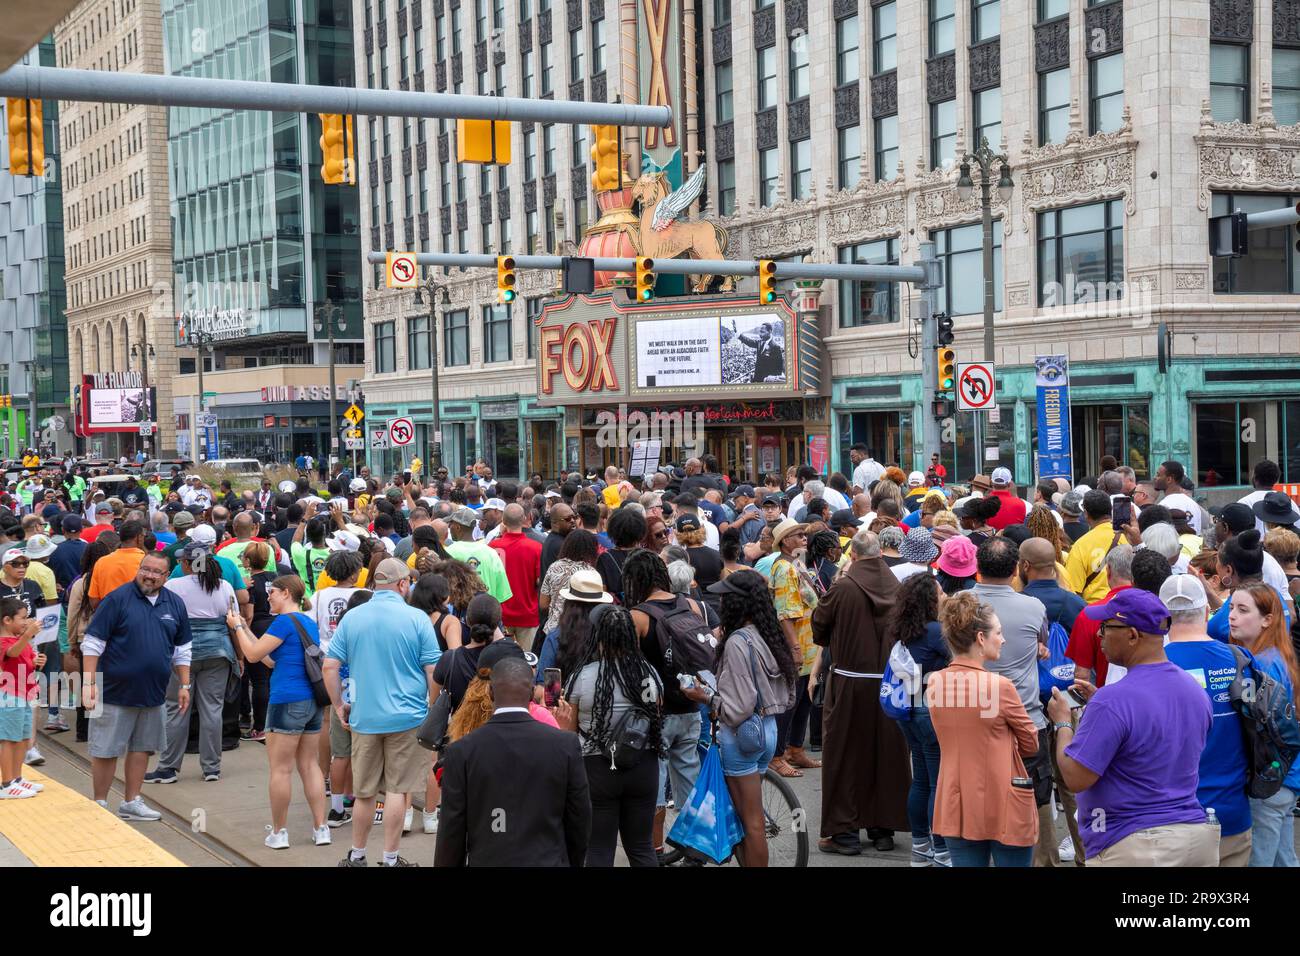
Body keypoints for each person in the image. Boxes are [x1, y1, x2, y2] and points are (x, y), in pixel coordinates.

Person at [1049, 588, 1218, 867]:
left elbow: (1075, 777)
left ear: (1133, 635)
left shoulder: (1113, 700)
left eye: (1105, 627)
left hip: (1135, 844)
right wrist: (1099, 710)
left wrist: (1063, 723)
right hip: (1193, 836)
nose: (1099, 634)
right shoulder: (1192, 688)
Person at [325, 558, 441, 867]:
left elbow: (330, 665)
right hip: (408, 717)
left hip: (365, 717)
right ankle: (390, 859)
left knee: (364, 793)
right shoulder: (417, 619)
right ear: (403, 584)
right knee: (396, 789)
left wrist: (339, 705)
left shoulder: (353, 618)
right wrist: (431, 706)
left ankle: (358, 855)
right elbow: (433, 670)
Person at [435, 656, 591, 866]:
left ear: (490, 693)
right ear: (530, 695)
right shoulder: (565, 745)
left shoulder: (461, 751)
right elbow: (579, 817)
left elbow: (451, 832)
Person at [810, 529, 908, 854]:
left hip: (850, 683)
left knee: (844, 756)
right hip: (888, 685)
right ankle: (883, 830)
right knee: (885, 755)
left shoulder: (843, 587)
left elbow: (819, 628)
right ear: (880, 552)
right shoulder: (898, 587)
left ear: (853, 555)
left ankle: (845, 833)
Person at [927, 592, 1039, 867]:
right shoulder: (999, 686)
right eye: (998, 633)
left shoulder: (935, 683)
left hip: (955, 799)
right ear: (980, 638)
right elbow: (1031, 743)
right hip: (1003, 796)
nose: (1003, 639)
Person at [80, 552, 192, 821]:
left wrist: (185, 684)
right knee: (106, 749)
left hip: (153, 693)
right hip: (113, 691)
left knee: (142, 747)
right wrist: (88, 683)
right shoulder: (117, 599)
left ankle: (131, 802)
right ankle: (100, 803)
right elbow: (93, 642)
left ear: (167, 577)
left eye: (157, 572)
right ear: (139, 569)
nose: (150, 575)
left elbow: (183, 649)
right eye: (146, 569)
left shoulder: (174, 603)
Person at [226, 574, 331, 849]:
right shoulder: (307, 622)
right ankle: (321, 829)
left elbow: (251, 656)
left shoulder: (283, 622)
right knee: (310, 765)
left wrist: (237, 627)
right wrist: (246, 628)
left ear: (286, 593)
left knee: (281, 769)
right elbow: (270, 660)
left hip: (286, 700)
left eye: (272, 592)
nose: (268, 596)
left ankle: (280, 832)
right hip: (312, 701)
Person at [557, 604, 663, 867]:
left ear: (597, 637)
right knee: (641, 847)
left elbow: (569, 736)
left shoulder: (583, 677)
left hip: (598, 771)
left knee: (599, 849)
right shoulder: (650, 674)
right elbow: (657, 716)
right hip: (644, 765)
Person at [623, 549, 713, 855]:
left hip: (656, 714)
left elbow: (628, 668)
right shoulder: (689, 605)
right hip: (691, 706)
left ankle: (655, 851)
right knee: (689, 783)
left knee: (655, 788)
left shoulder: (638, 616)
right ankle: (695, 848)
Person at [704, 570, 797, 866]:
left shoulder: (736, 642)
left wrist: (706, 697)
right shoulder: (769, 634)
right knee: (751, 820)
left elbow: (738, 706)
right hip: (767, 729)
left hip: (742, 735)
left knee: (750, 823)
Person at [1161, 574, 1252, 867]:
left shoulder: (1152, 666)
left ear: (1163, 618)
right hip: (1233, 811)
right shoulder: (1242, 660)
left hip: (1173, 819)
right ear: (1206, 611)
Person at [145, 540, 239, 784]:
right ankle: (211, 767)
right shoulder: (224, 586)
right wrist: (239, 656)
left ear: (187, 563)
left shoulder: (174, 586)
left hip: (180, 655)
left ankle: (167, 767)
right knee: (212, 709)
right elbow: (234, 622)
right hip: (218, 652)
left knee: (176, 708)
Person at [1227, 583, 1300, 867]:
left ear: (1267, 619)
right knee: (1284, 857)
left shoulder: (1260, 666)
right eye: (1231, 607)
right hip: (1286, 777)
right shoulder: (1279, 656)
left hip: (1271, 779)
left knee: (1260, 860)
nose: (1232, 616)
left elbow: (1254, 727)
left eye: (1243, 610)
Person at [885, 573, 952, 866]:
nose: (944, 596)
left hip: (907, 711)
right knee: (938, 783)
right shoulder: (936, 631)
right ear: (929, 600)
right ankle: (942, 848)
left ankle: (921, 848)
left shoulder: (903, 630)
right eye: (939, 593)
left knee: (922, 780)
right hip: (930, 711)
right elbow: (963, 659)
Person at [766, 518, 821, 777]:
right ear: (785, 541)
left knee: (804, 701)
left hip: (810, 645)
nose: (803, 538)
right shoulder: (784, 568)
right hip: (798, 644)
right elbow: (784, 614)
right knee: (791, 701)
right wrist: (795, 649)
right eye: (798, 535)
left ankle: (795, 749)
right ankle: (777, 755)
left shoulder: (796, 563)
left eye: (803, 534)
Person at [0, 598, 45, 799]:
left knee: (22, 738)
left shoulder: (20, 640)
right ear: (7, 620)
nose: (27, 622)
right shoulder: (4, 641)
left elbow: (23, 659)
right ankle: (6, 783)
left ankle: (16, 778)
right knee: (9, 739)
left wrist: (36, 662)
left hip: (24, 693)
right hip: (10, 696)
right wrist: (28, 635)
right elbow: (12, 652)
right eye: (23, 618)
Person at [489, 503, 542, 652]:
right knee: (529, 662)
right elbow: (539, 581)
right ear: (524, 519)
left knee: (501, 661)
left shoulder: (493, 546)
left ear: (503, 522)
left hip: (500, 615)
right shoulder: (536, 547)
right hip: (527, 614)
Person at [1064, 490, 1122, 604]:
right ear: (1110, 510)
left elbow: (1072, 591)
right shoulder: (1128, 537)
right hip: (1126, 607)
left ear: (1085, 513)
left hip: (1094, 611)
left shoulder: (1081, 545)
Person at [445, 507, 512, 605]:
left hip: (458, 616)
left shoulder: (449, 552)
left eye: (451, 524)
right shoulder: (491, 553)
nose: (449, 527)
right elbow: (501, 594)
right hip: (488, 614)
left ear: (458, 527)